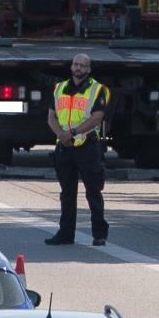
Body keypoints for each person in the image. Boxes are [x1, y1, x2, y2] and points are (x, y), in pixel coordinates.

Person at [45, 54, 111, 246]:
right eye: (76, 64)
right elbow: (51, 117)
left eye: (83, 65)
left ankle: (99, 234)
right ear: (71, 67)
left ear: (89, 69)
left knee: (93, 190)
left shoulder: (97, 89)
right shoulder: (59, 89)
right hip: (65, 146)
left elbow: (97, 117)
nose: (79, 68)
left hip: (87, 146)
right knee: (67, 192)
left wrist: (73, 132)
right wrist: (61, 135)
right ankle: (65, 234)